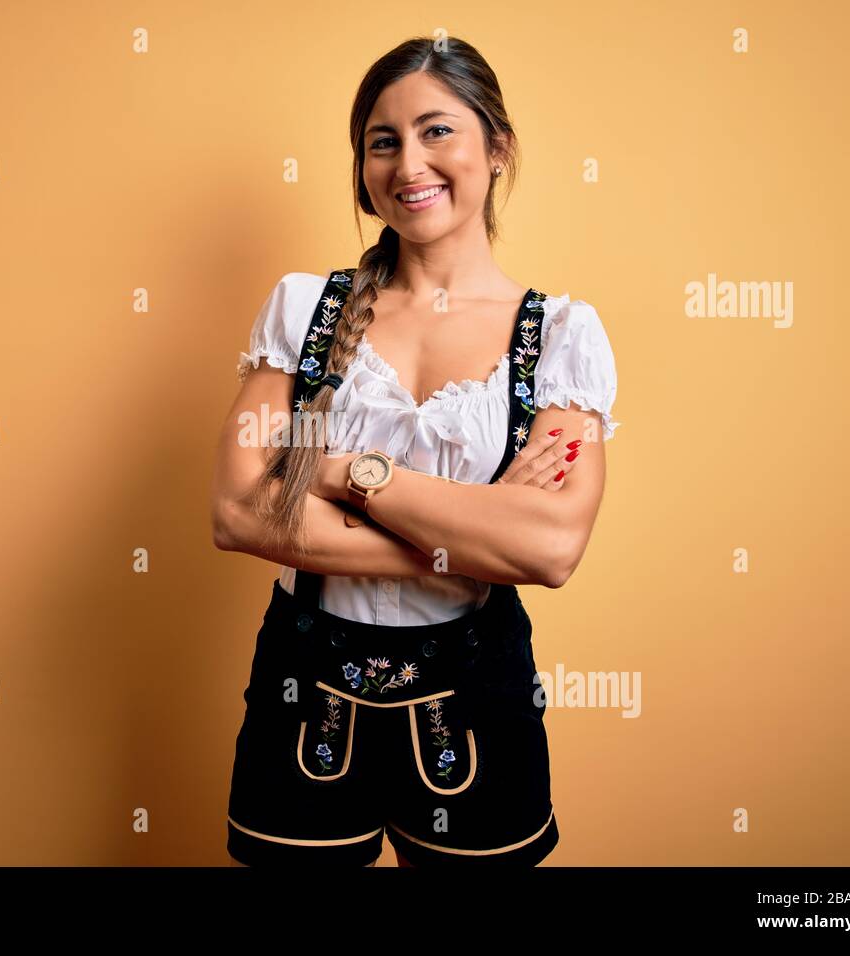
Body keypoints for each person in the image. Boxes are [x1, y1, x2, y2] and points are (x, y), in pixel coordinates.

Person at [211, 35, 619, 867]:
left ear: (496, 148)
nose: (408, 164)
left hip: (480, 696)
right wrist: (465, 543)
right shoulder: (303, 312)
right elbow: (235, 512)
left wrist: (333, 472)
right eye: (382, 141)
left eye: (437, 131)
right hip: (303, 688)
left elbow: (546, 549)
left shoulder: (561, 339)